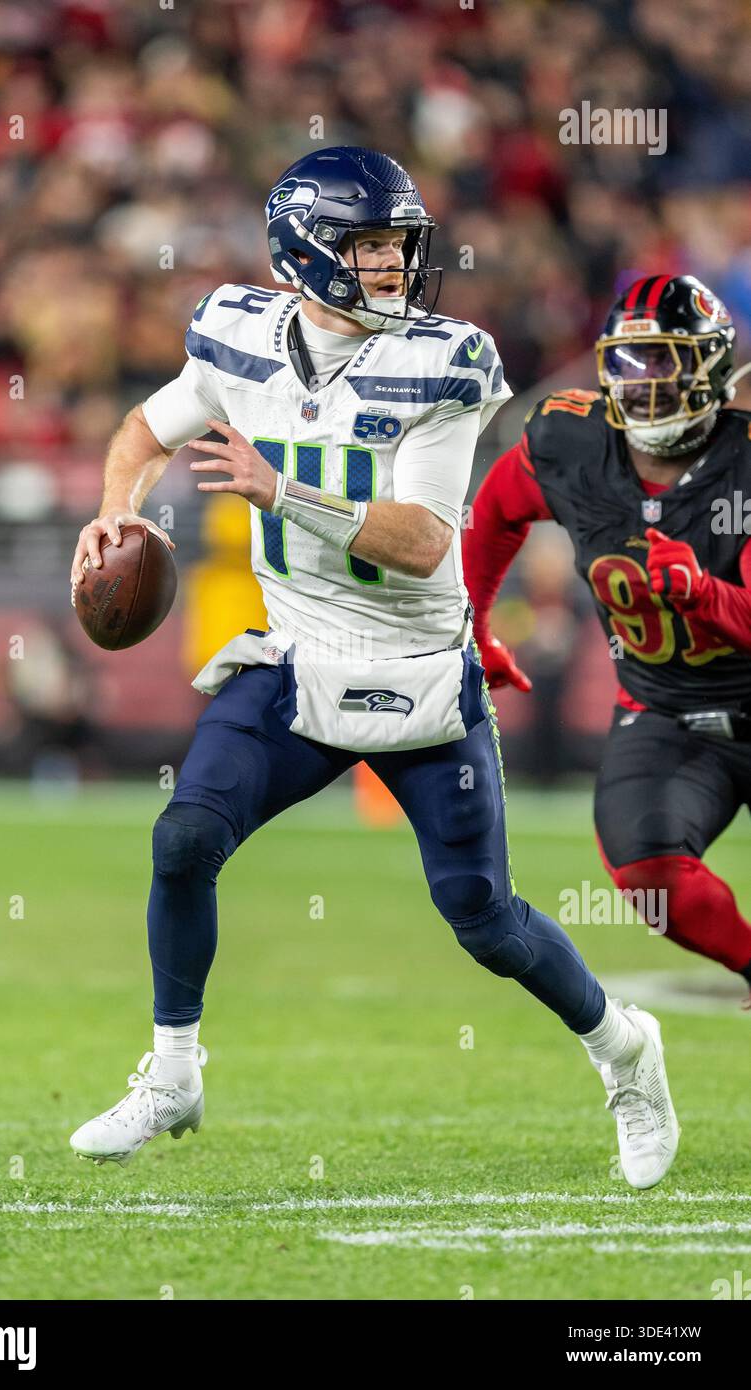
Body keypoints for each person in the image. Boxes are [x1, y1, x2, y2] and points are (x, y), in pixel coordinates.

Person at [69, 148, 678, 1187]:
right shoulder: (239, 335)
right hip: (297, 662)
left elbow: (423, 541)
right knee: (183, 839)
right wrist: (114, 508)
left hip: (417, 675)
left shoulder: (445, 362)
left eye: (399, 244)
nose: (393, 264)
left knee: (482, 919)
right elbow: (142, 428)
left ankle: (624, 1049)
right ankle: (173, 1072)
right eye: (368, 246)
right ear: (307, 250)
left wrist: (280, 492)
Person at [464, 274, 751, 999]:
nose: (645, 383)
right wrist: (476, 626)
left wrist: (701, 592)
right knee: (646, 869)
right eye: (630, 362)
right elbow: (496, 508)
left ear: (712, 367)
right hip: (665, 712)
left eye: (665, 361)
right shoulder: (574, 442)